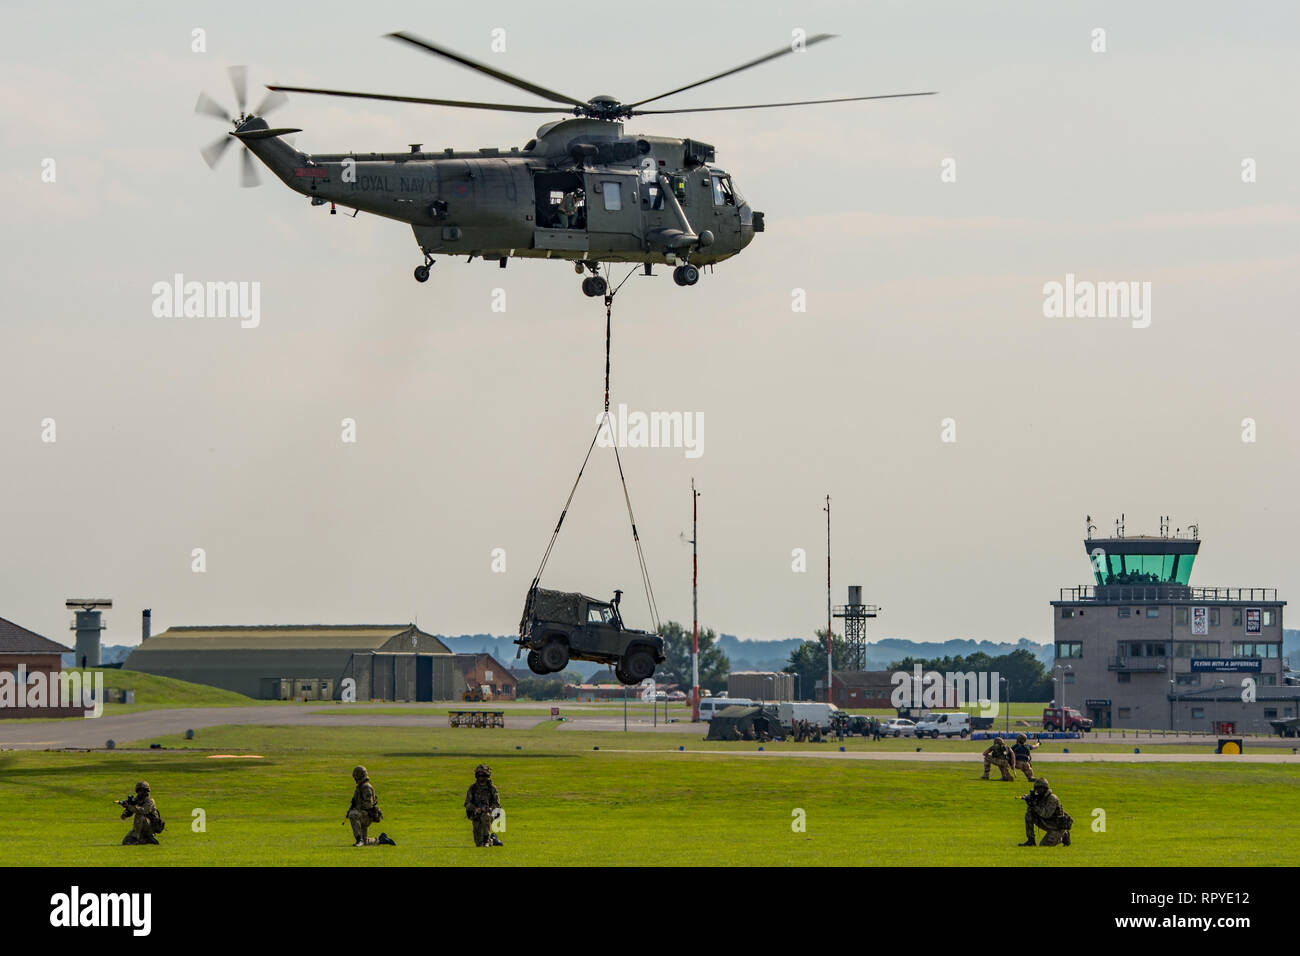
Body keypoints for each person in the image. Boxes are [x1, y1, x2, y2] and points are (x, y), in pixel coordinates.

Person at [347, 765, 395, 847]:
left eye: (356, 776)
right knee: (366, 842)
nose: (355, 779)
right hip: (363, 815)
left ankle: (359, 840)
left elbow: (368, 805)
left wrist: (356, 809)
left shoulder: (366, 787)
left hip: (367, 815)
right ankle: (381, 840)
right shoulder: (360, 787)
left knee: (353, 814)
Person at [1019, 778, 1073, 846]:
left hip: (1056, 827)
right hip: (1047, 822)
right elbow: (1032, 811)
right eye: (1036, 788)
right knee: (1029, 814)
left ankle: (1063, 835)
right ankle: (1031, 840)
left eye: (1039, 789)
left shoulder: (1052, 799)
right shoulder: (1039, 797)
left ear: (1045, 789)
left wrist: (1034, 805)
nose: (1037, 791)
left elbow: (1046, 814)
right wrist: (1030, 803)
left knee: (1044, 845)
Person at [465, 764, 503, 847]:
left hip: (489, 814)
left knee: (485, 816)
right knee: (478, 843)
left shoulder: (492, 789)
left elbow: (497, 804)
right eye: (480, 775)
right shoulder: (473, 788)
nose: (482, 778)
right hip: (476, 815)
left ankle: (486, 840)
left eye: (484, 775)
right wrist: (476, 809)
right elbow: (467, 804)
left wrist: (489, 808)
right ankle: (492, 839)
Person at [118, 781, 163, 845]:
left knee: (139, 815)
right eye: (139, 790)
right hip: (140, 826)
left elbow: (143, 811)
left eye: (142, 790)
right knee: (126, 841)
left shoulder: (150, 801)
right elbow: (132, 809)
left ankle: (138, 837)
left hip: (150, 825)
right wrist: (125, 813)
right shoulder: (137, 800)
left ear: (146, 791)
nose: (140, 792)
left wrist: (129, 806)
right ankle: (146, 840)